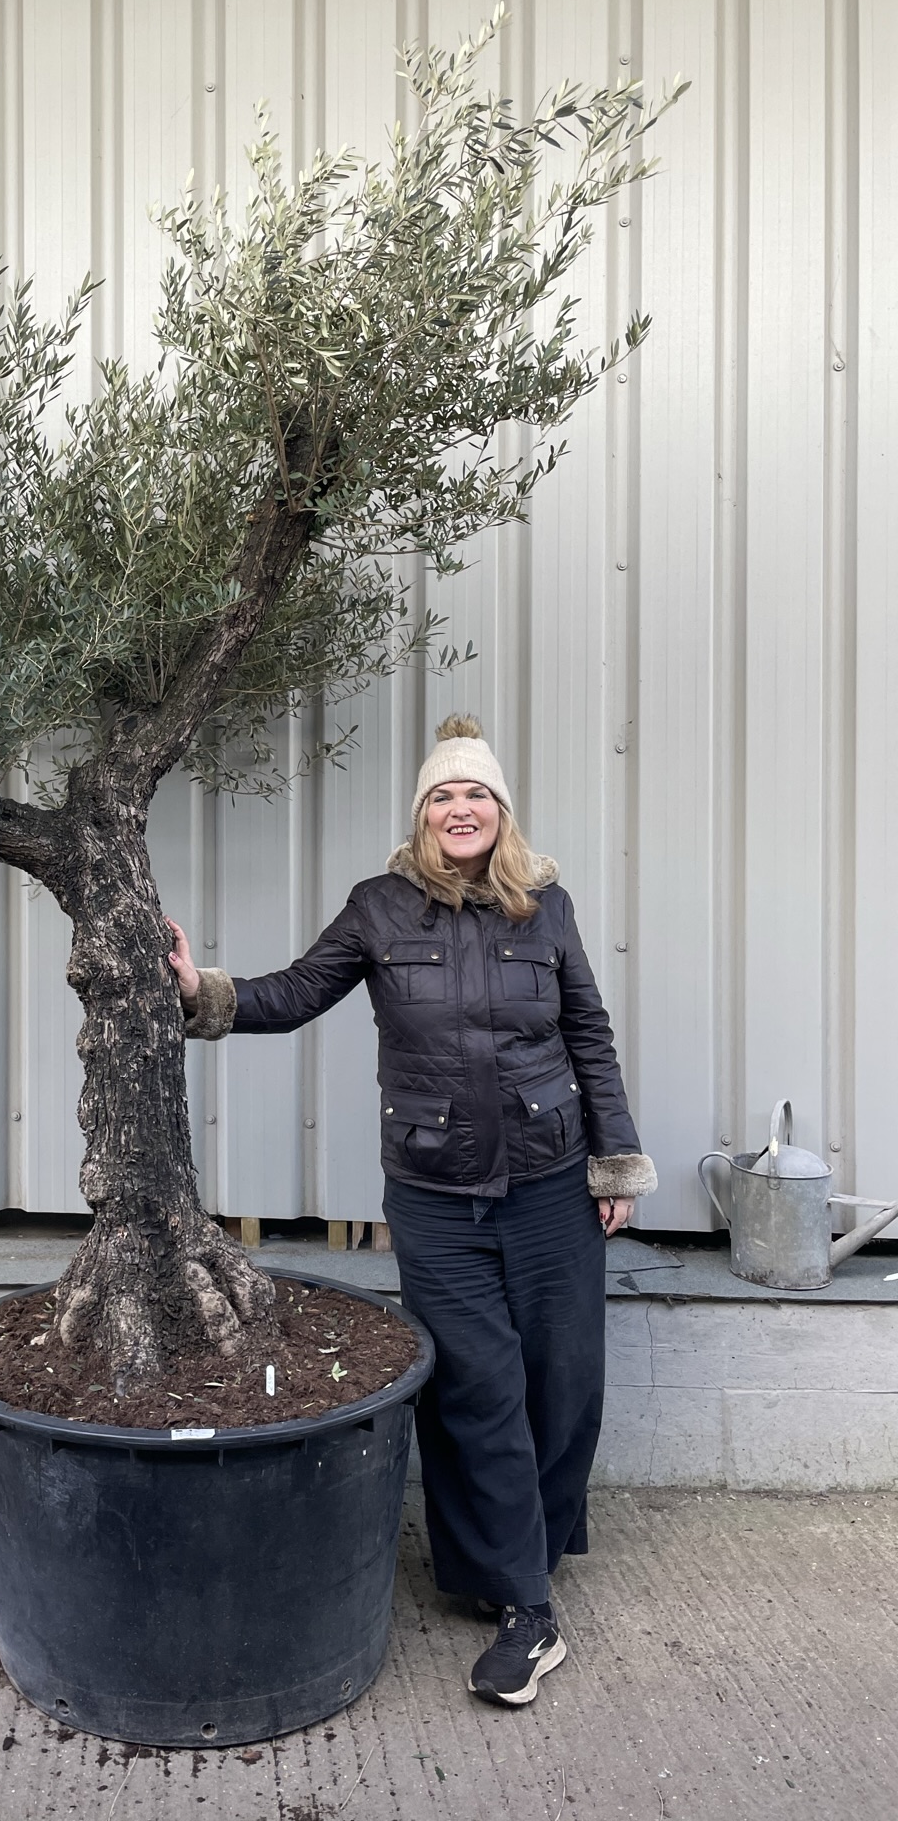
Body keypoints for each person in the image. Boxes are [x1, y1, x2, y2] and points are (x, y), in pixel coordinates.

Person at [167, 713, 655, 1709]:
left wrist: (614, 1166)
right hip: (437, 1197)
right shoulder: (379, 907)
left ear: (500, 811)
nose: (459, 808)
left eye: (475, 793)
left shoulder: (545, 908)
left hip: (552, 1185)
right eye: (442, 795)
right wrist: (199, 990)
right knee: (478, 1389)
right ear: (422, 815)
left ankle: (518, 1557)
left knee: (564, 1382)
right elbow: (296, 991)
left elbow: (589, 1037)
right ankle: (527, 1609)